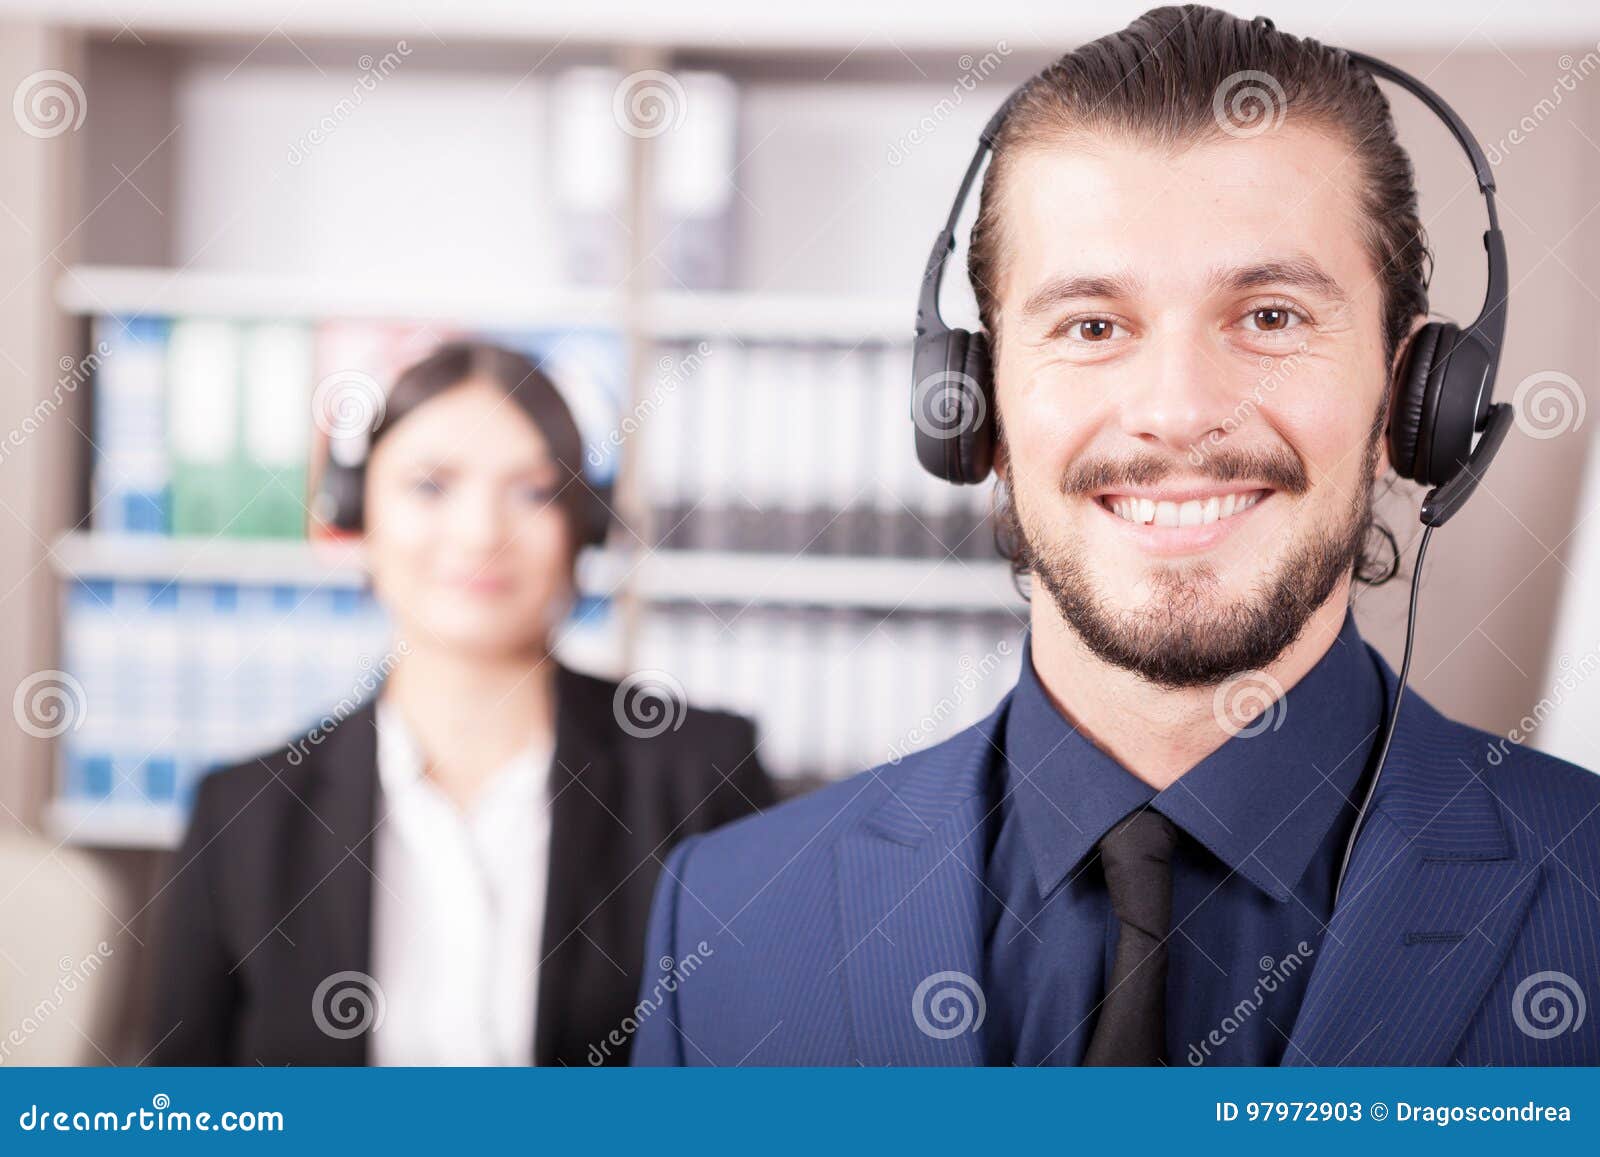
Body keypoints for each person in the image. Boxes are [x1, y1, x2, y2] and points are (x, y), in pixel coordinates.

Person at [632, 6, 1600, 1066]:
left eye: (1270, 315)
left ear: (1413, 399)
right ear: (973, 405)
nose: (1179, 410)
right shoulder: (731, 922)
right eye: (1091, 326)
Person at [149, 340, 772, 1065]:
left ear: (583, 526)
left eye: (533, 491)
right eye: (430, 486)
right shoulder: (244, 816)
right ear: (354, 515)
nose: (480, 533)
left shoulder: (702, 779)